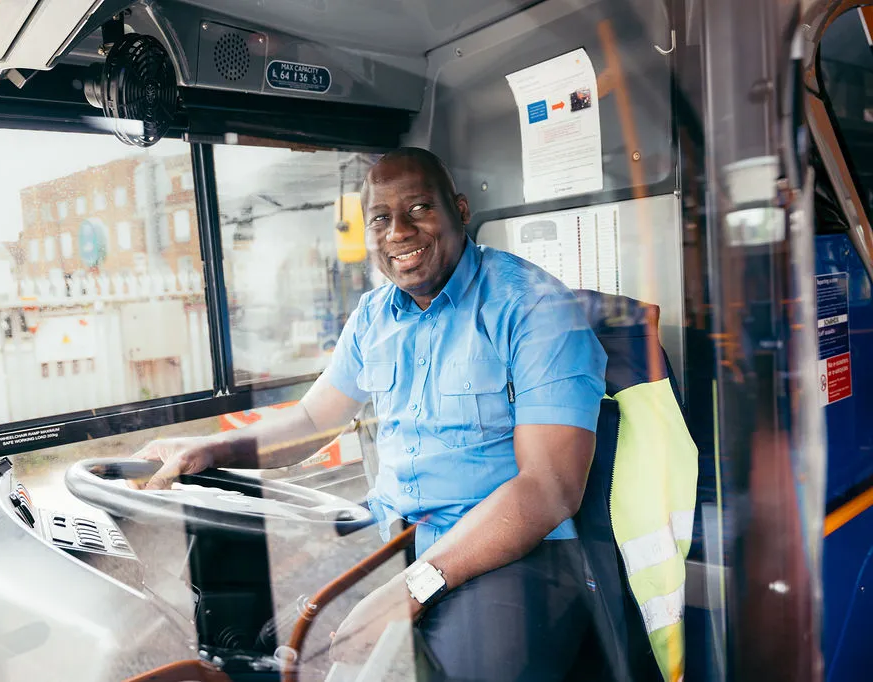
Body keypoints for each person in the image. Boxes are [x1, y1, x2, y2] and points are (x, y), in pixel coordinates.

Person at [134, 147, 608, 681]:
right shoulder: (373, 315)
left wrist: (413, 588)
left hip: (512, 552)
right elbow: (316, 420)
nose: (398, 232)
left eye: (420, 208)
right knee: (269, 644)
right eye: (381, 217)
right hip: (393, 535)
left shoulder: (535, 309)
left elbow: (549, 487)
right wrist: (209, 449)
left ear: (461, 210)